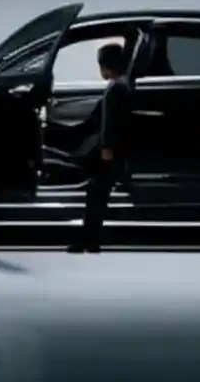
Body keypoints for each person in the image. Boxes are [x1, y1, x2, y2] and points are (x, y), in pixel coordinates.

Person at [67, 42, 131, 253]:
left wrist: (107, 147)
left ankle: (88, 240)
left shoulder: (116, 89)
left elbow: (110, 123)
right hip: (112, 153)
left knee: (96, 197)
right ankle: (90, 240)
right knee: (98, 197)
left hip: (109, 154)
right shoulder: (121, 86)